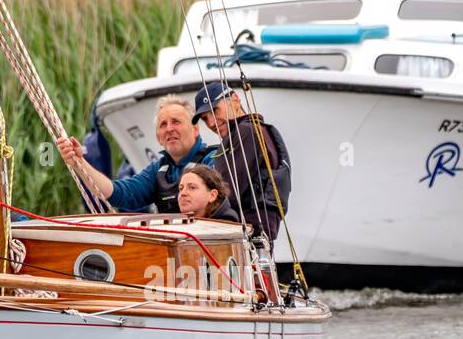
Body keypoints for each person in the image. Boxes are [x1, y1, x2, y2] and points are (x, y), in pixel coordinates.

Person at [55, 94, 217, 213]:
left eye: (176, 122)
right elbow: (118, 192)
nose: (169, 129)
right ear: (158, 137)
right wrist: (78, 162)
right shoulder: (158, 171)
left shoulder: (214, 160)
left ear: (195, 129)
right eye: (163, 125)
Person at [192, 80, 291, 242]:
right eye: (205, 118)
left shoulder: (246, 131)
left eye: (215, 110)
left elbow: (227, 191)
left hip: (246, 239)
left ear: (235, 100)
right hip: (255, 238)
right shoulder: (256, 131)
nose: (211, 123)